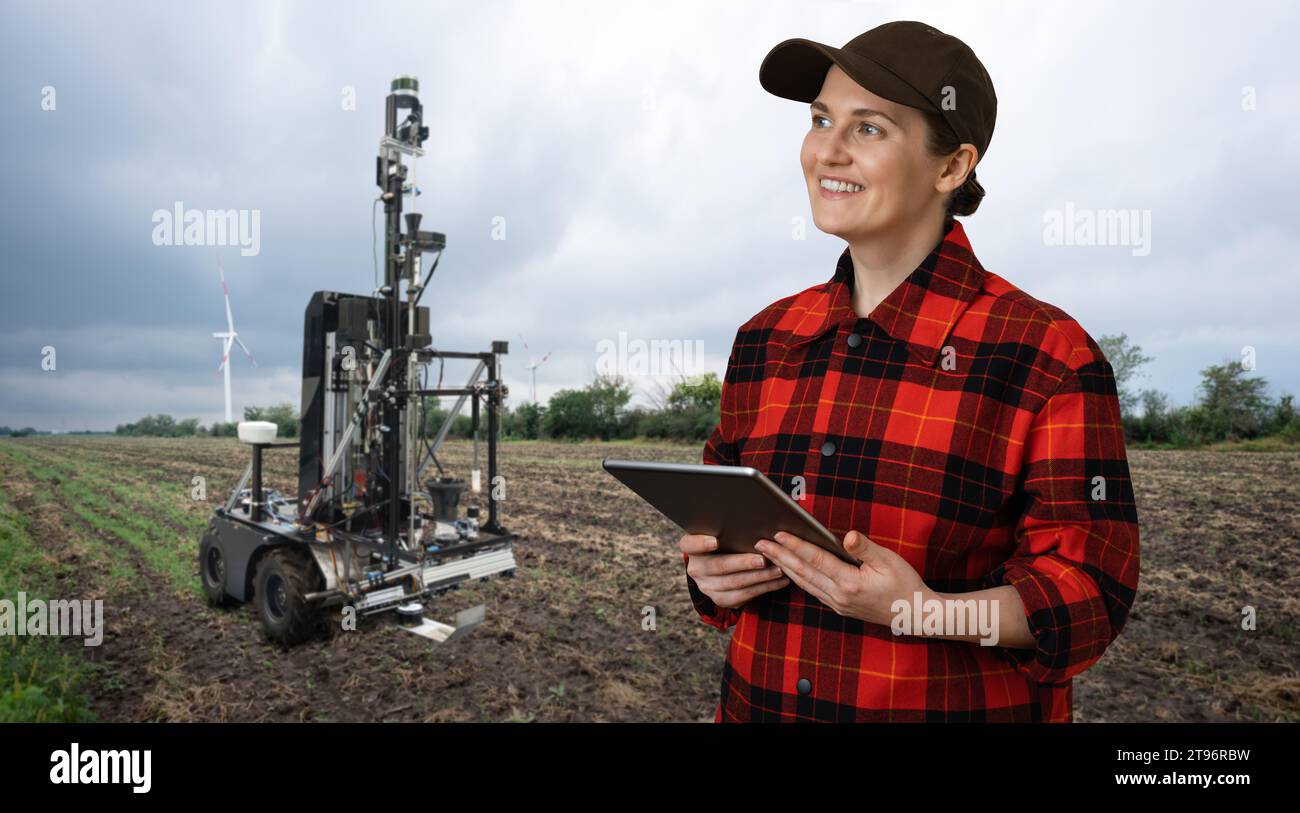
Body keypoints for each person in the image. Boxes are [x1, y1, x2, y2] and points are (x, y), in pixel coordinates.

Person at [679, 21, 1140, 722]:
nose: (826, 149)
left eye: (869, 129)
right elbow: (717, 533)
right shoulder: (765, 339)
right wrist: (712, 575)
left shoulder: (1049, 355)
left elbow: (1091, 593)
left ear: (951, 167)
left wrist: (924, 612)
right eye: (821, 119)